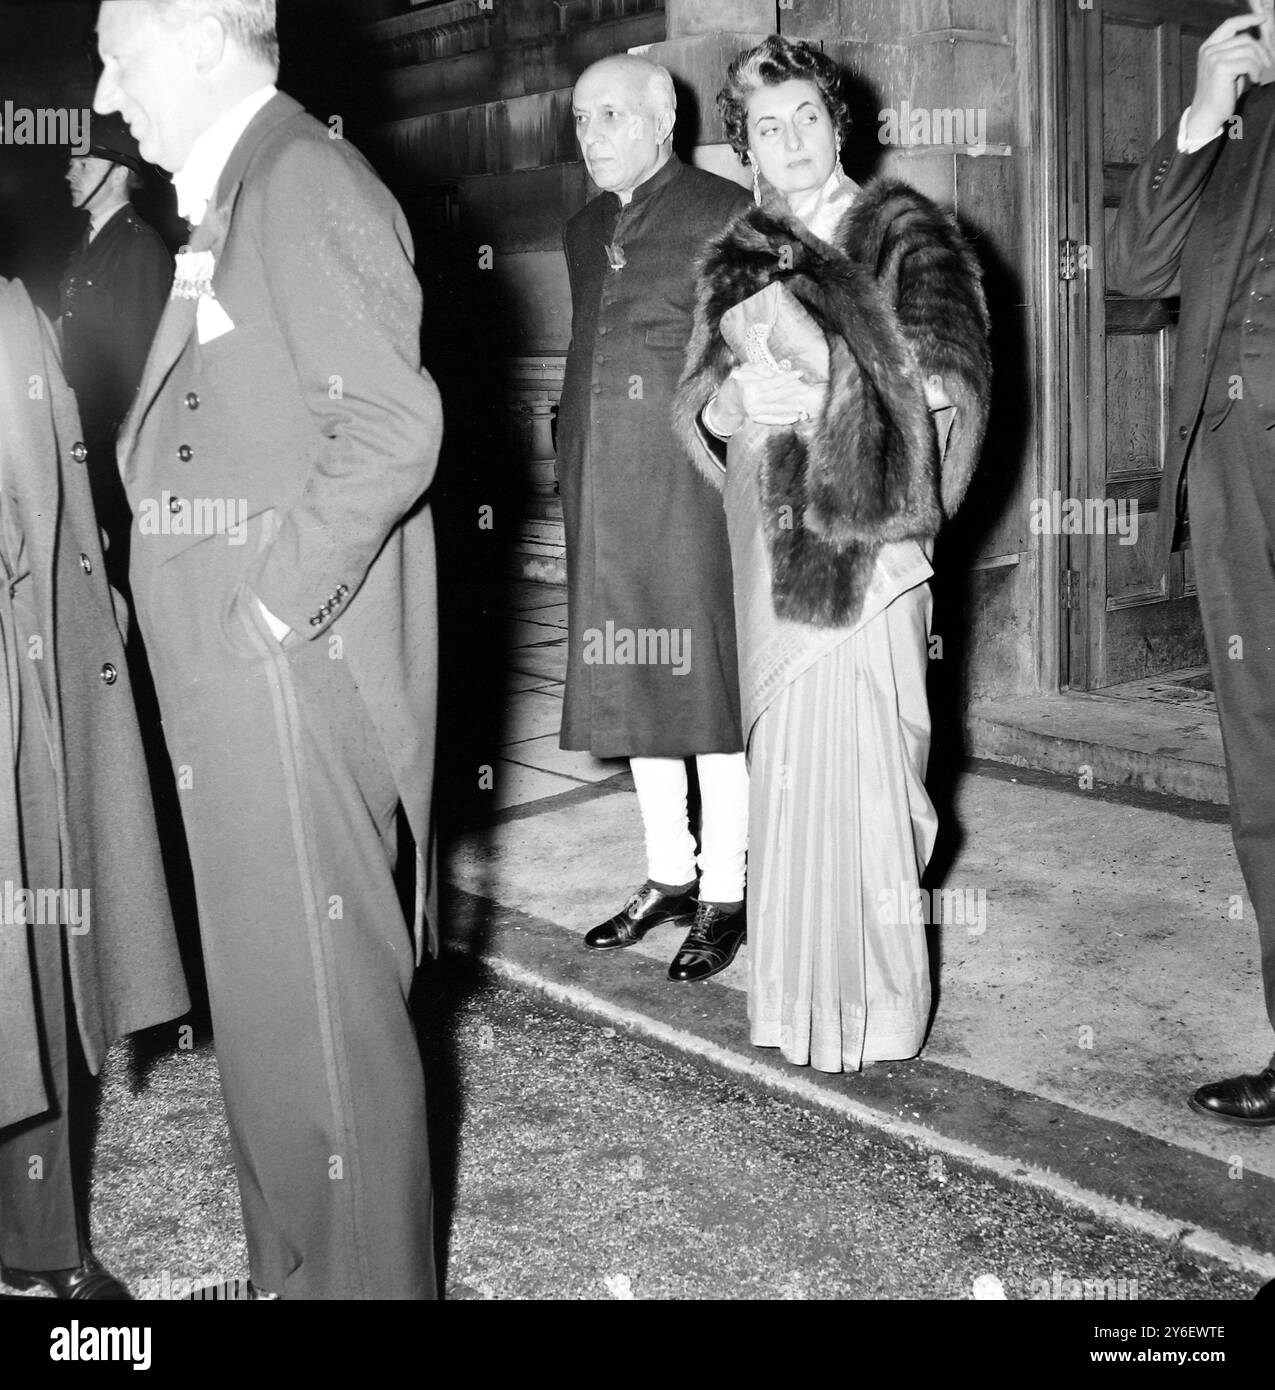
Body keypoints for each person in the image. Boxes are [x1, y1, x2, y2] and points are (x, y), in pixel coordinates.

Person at [94, 0, 443, 1297]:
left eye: (117, 55)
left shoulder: (301, 178)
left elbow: (392, 429)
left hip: (287, 680)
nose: (104, 88)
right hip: (230, 691)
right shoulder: (226, 192)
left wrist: (266, 609)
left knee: (324, 1029)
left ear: (194, 39)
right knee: (264, 1014)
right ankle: (287, 1269)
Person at [676, 35, 990, 1071]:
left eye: (808, 115)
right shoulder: (737, 255)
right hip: (772, 552)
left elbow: (950, 387)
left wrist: (820, 389)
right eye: (769, 125)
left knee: (874, 776)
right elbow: (696, 401)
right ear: (746, 148)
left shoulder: (908, 234)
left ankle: (883, 1012)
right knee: (791, 776)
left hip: (871, 548)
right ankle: (797, 1006)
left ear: (837, 123)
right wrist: (729, 401)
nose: (792, 137)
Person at [0, 276, 189, 1299]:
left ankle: (36, 1241)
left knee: (24, 961)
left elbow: (61, 523)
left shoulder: (11, 317)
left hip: (15, 694)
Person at [1109, 12, 1275, 1126]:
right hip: (1234, 460)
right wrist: (1200, 123)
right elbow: (1135, 268)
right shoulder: (1238, 125)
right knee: (1265, 754)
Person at [559, 53, 753, 983]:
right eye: (581, 120)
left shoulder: (725, 215)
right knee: (636, 687)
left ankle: (725, 894)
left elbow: (753, 361)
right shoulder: (581, 227)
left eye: (610, 116)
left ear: (661, 117)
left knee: (704, 694)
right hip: (602, 490)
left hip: (687, 492)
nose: (591, 136)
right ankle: (669, 875)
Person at [59, 113, 172, 580]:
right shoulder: (89, 242)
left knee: (121, 570)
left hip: (118, 453)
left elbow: (143, 369)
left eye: (82, 164)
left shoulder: (139, 247)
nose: (69, 173)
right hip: (84, 438)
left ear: (119, 174)